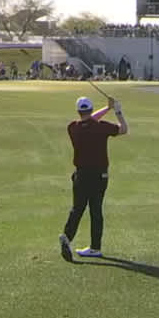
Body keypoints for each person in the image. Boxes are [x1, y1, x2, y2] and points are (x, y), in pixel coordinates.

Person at [59, 95, 128, 261]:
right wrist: (116, 110)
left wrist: (107, 108)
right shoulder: (101, 127)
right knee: (96, 210)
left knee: (77, 208)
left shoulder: (73, 127)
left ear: (78, 111)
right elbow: (124, 129)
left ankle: (67, 237)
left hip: (81, 175)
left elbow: (88, 121)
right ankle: (95, 248)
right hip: (99, 175)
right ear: (90, 109)